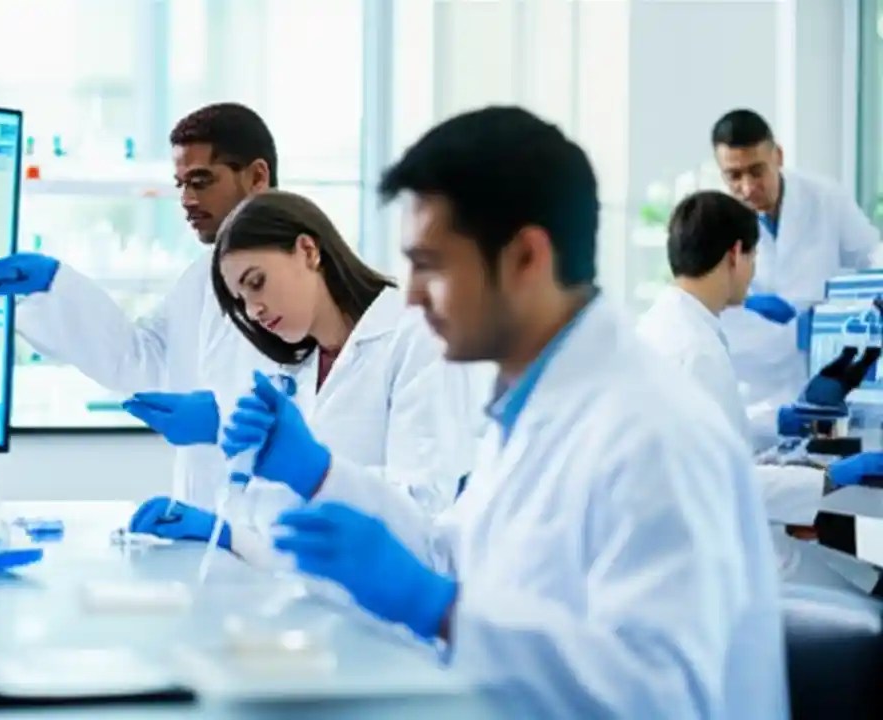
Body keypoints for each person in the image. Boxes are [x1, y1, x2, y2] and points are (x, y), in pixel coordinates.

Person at [221, 107, 786, 717]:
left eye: (431, 265)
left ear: (525, 258)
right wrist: (319, 473)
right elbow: (451, 555)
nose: (412, 295)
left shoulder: (652, 432)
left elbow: (666, 696)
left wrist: (441, 609)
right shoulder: (530, 406)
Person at [126, 191, 491, 560]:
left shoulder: (417, 338)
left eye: (257, 283)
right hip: (309, 582)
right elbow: (285, 515)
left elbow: (423, 508)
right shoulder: (299, 367)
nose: (252, 311)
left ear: (307, 251)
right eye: (241, 300)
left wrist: (313, 470)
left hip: (391, 588)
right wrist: (226, 532)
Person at [0, 103, 277, 509]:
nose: (186, 199)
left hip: (275, 522)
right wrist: (55, 285)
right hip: (210, 514)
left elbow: (327, 414)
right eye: (180, 184)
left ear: (257, 177)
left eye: (201, 181)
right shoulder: (201, 277)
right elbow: (141, 356)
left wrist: (225, 419)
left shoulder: (306, 272)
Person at [636, 190, 883, 593]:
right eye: (753, 258)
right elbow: (723, 484)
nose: (752, 274)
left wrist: (780, 421)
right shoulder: (694, 350)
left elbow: (706, 438)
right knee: (865, 594)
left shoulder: (666, 326)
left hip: (697, 542)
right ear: (736, 254)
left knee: (853, 566)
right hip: (715, 562)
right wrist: (828, 478)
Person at [711, 109, 881, 447]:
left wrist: (832, 319)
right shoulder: (717, 221)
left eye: (757, 171)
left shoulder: (825, 199)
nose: (748, 187)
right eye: (734, 176)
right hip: (758, 393)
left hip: (827, 372)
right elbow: (718, 315)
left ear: (778, 156)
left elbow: (871, 257)